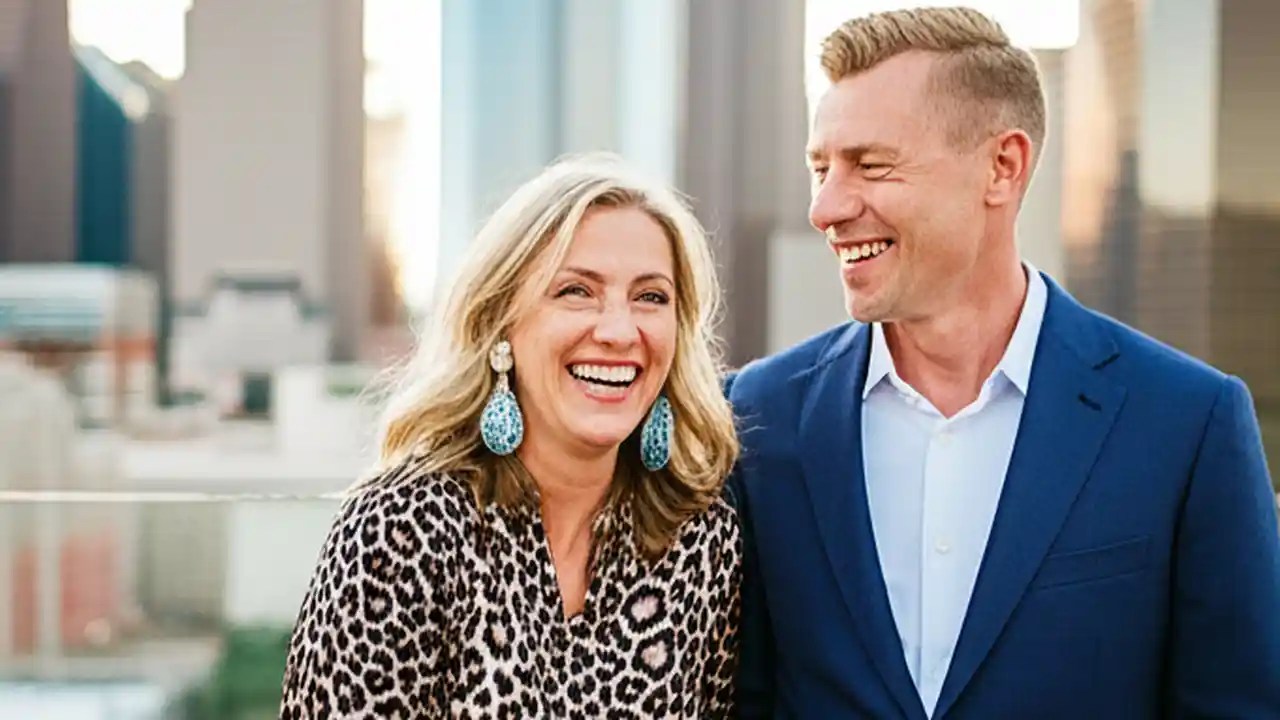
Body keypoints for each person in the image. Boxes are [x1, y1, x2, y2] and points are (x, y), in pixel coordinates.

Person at [728, 7, 1280, 718]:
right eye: (820, 167)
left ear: (1002, 166)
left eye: (870, 164)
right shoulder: (759, 416)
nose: (827, 206)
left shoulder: (1187, 423)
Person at [280, 155, 741, 718]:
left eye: (650, 297)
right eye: (576, 291)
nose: (620, 331)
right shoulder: (399, 530)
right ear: (503, 322)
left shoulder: (701, 540)